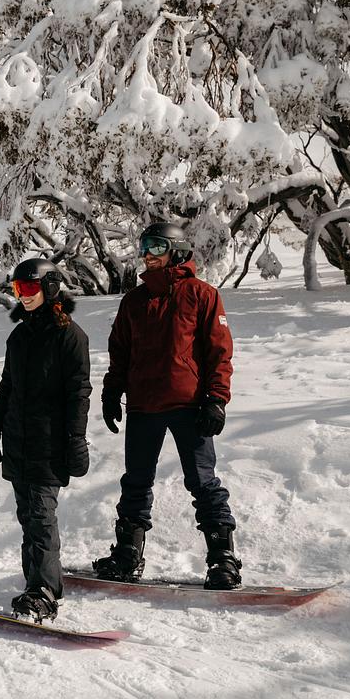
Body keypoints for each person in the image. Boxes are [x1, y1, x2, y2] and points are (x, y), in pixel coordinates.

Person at [93, 222, 241, 590]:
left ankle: (223, 559)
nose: (147, 253)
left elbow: (219, 352)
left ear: (176, 250)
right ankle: (128, 554)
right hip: (143, 406)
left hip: (189, 406)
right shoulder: (134, 302)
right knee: (136, 483)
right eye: (144, 246)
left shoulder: (202, 294)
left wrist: (216, 400)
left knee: (203, 482)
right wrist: (111, 393)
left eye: (156, 246)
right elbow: (120, 354)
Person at [0, 258, 91, 622]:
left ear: (50, 288)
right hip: (18, 440)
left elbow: (79, 393)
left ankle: (46, 590)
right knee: (27, 515)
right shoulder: (19, 336)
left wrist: (77, 441)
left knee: (43, 516)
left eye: (29, 289)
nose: (23, 297)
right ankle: (34, 580)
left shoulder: (70, 336)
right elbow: (7, 387)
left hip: (50, 442)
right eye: (17, 290)